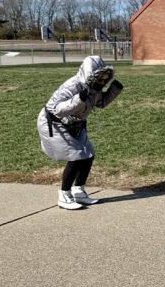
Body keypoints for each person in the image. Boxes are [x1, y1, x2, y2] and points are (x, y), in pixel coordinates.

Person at [36, 56, 123, 210]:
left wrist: (114, 90)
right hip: (54, 122)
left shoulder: (94, 87)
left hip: (74, 123)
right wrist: (79, 98)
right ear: (89, 75)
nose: (102, 83)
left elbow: (100, 103)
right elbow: (58, 109)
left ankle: (79, 191)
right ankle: (64, 195)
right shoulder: (72, 86)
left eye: (105, 79)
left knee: (88, 154)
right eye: (100, 79)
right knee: (76, 156)